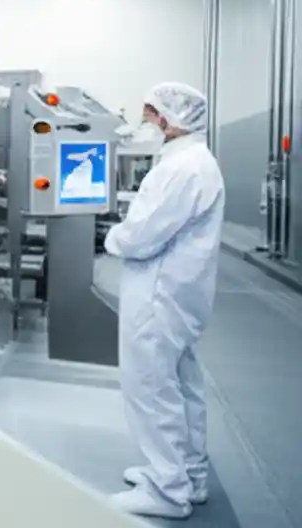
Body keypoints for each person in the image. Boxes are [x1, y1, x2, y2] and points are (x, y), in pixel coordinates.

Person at [104, 82, 225, 519]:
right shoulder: (197, 161)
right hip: (182, 294)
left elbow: (141, 236)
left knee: (151, 386)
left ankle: (167, 489)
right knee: (181, 382)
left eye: (150, 115)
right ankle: (189, 476)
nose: (147, 123)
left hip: (159, 294)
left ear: (170, 119)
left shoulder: (181, 169)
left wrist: (111, 235)